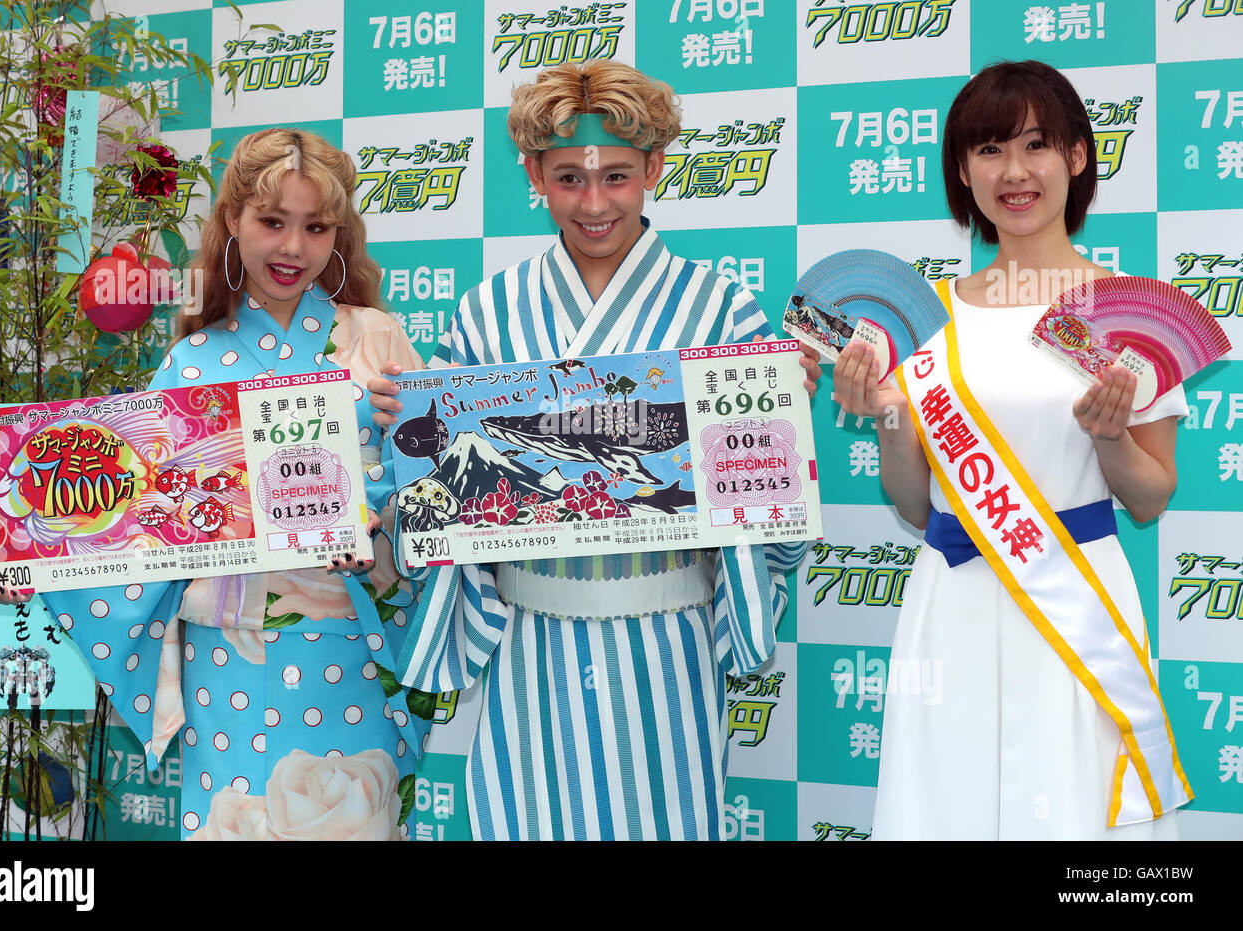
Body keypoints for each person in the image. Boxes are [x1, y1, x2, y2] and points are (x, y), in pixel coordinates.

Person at [369, 59, 822, 840]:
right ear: (535, 175)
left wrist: (773, 424)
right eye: (569, 177)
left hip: (667, 642)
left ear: (653, 167)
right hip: (531, 639)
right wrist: (412, 429)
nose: (593, 201)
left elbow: (769, 509)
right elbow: (438, 507)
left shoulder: (722, 309)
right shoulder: (488, 314)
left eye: (616, 175)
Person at [0, 128, 431, 840]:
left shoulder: (375, 337)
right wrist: (33, 555)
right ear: (232, 221)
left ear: (338, 234)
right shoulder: (193, 359)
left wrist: (384, 501)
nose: (292, 248)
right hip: (225, 656)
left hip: (347, 651)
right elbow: (133, 518)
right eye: (272, 222)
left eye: (315, 227)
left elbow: (429, 485)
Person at [832, 60, 1192, 839]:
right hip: (952, 600)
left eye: (1036, 144)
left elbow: (1150, 495)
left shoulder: (1134, 313)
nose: (1015, 171)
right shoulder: (924, 317)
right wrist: (890, 416)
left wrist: (1109, 438)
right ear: (963, 171)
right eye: (989, 150)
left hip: (1077, 607)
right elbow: (915, 502)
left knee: (1077, 805)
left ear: (1078, 157)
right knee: (946, 800)